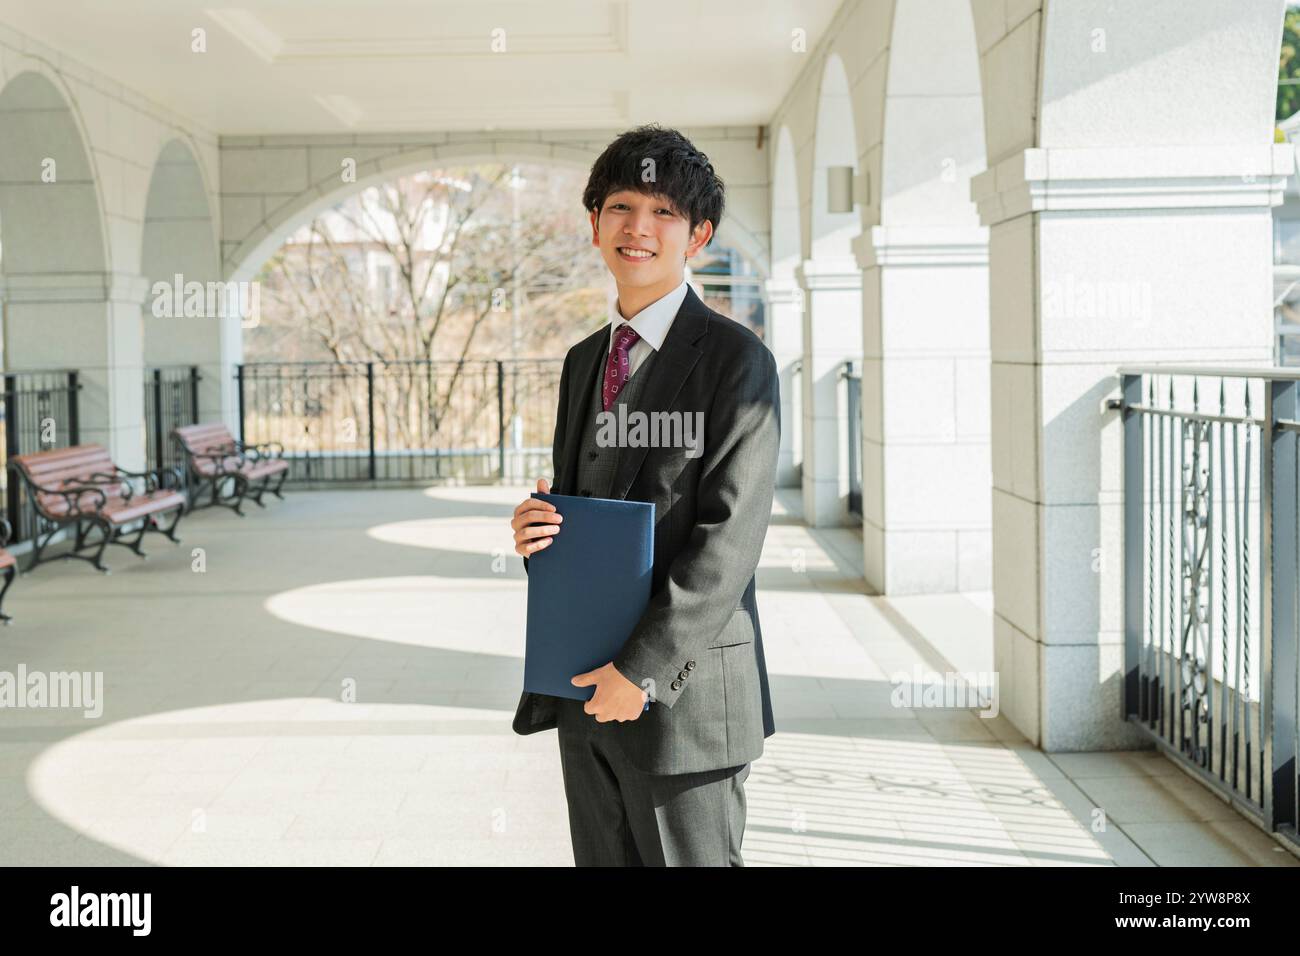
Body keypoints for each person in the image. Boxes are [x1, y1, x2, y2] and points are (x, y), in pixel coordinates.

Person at [509, 124, 778, 866]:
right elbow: (584, 505)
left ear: (699, 237)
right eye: (622, 207)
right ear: (594, 223)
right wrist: (539, 531)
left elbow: (729, 541)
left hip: (682, 704)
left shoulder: (737, 361)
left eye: (664, 213)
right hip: (584, 692)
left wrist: (644, 671)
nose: (639, 228)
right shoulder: (582, 361)